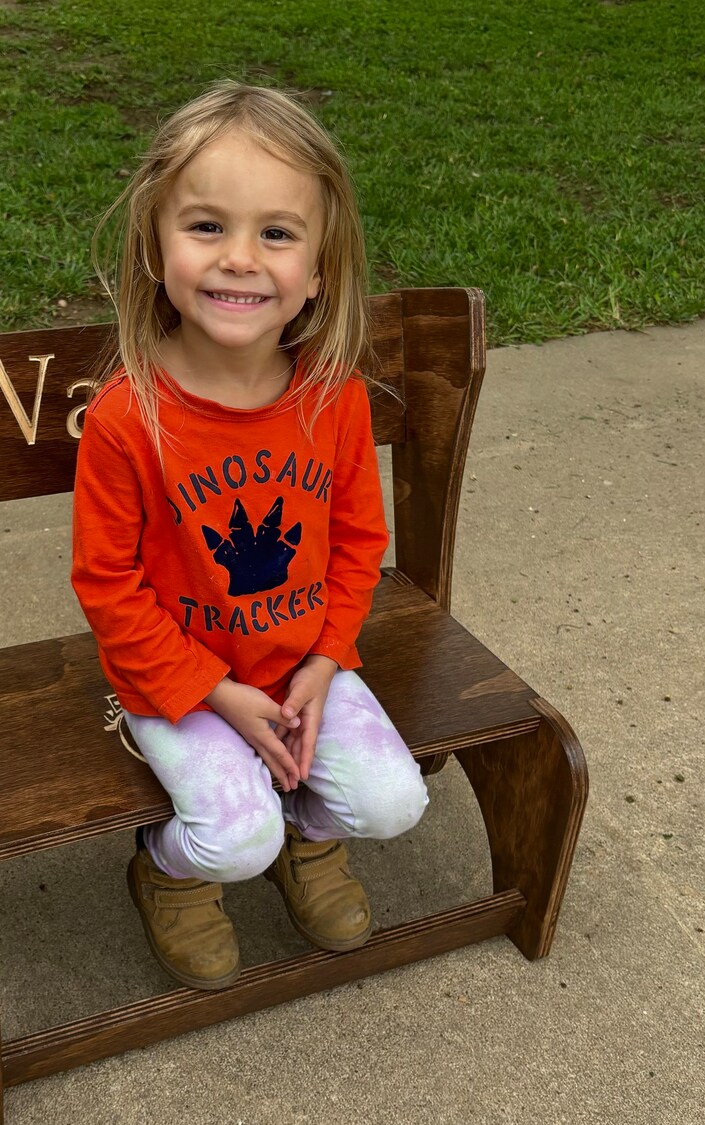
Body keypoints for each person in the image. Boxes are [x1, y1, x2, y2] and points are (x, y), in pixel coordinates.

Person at [71, 81, 428, 991]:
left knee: (393, 802)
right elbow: (109, 588)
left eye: (276, 232)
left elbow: (357, 543)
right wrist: (218, 695)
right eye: (205, 226)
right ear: (155, 246)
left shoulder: (333, 397)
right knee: (233, 837)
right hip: (180, 682)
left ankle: (311, 844)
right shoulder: (128, 419)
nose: (239, 259)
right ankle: (168, 872)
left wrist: (326, 660)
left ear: (320, 267)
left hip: (305, 661)